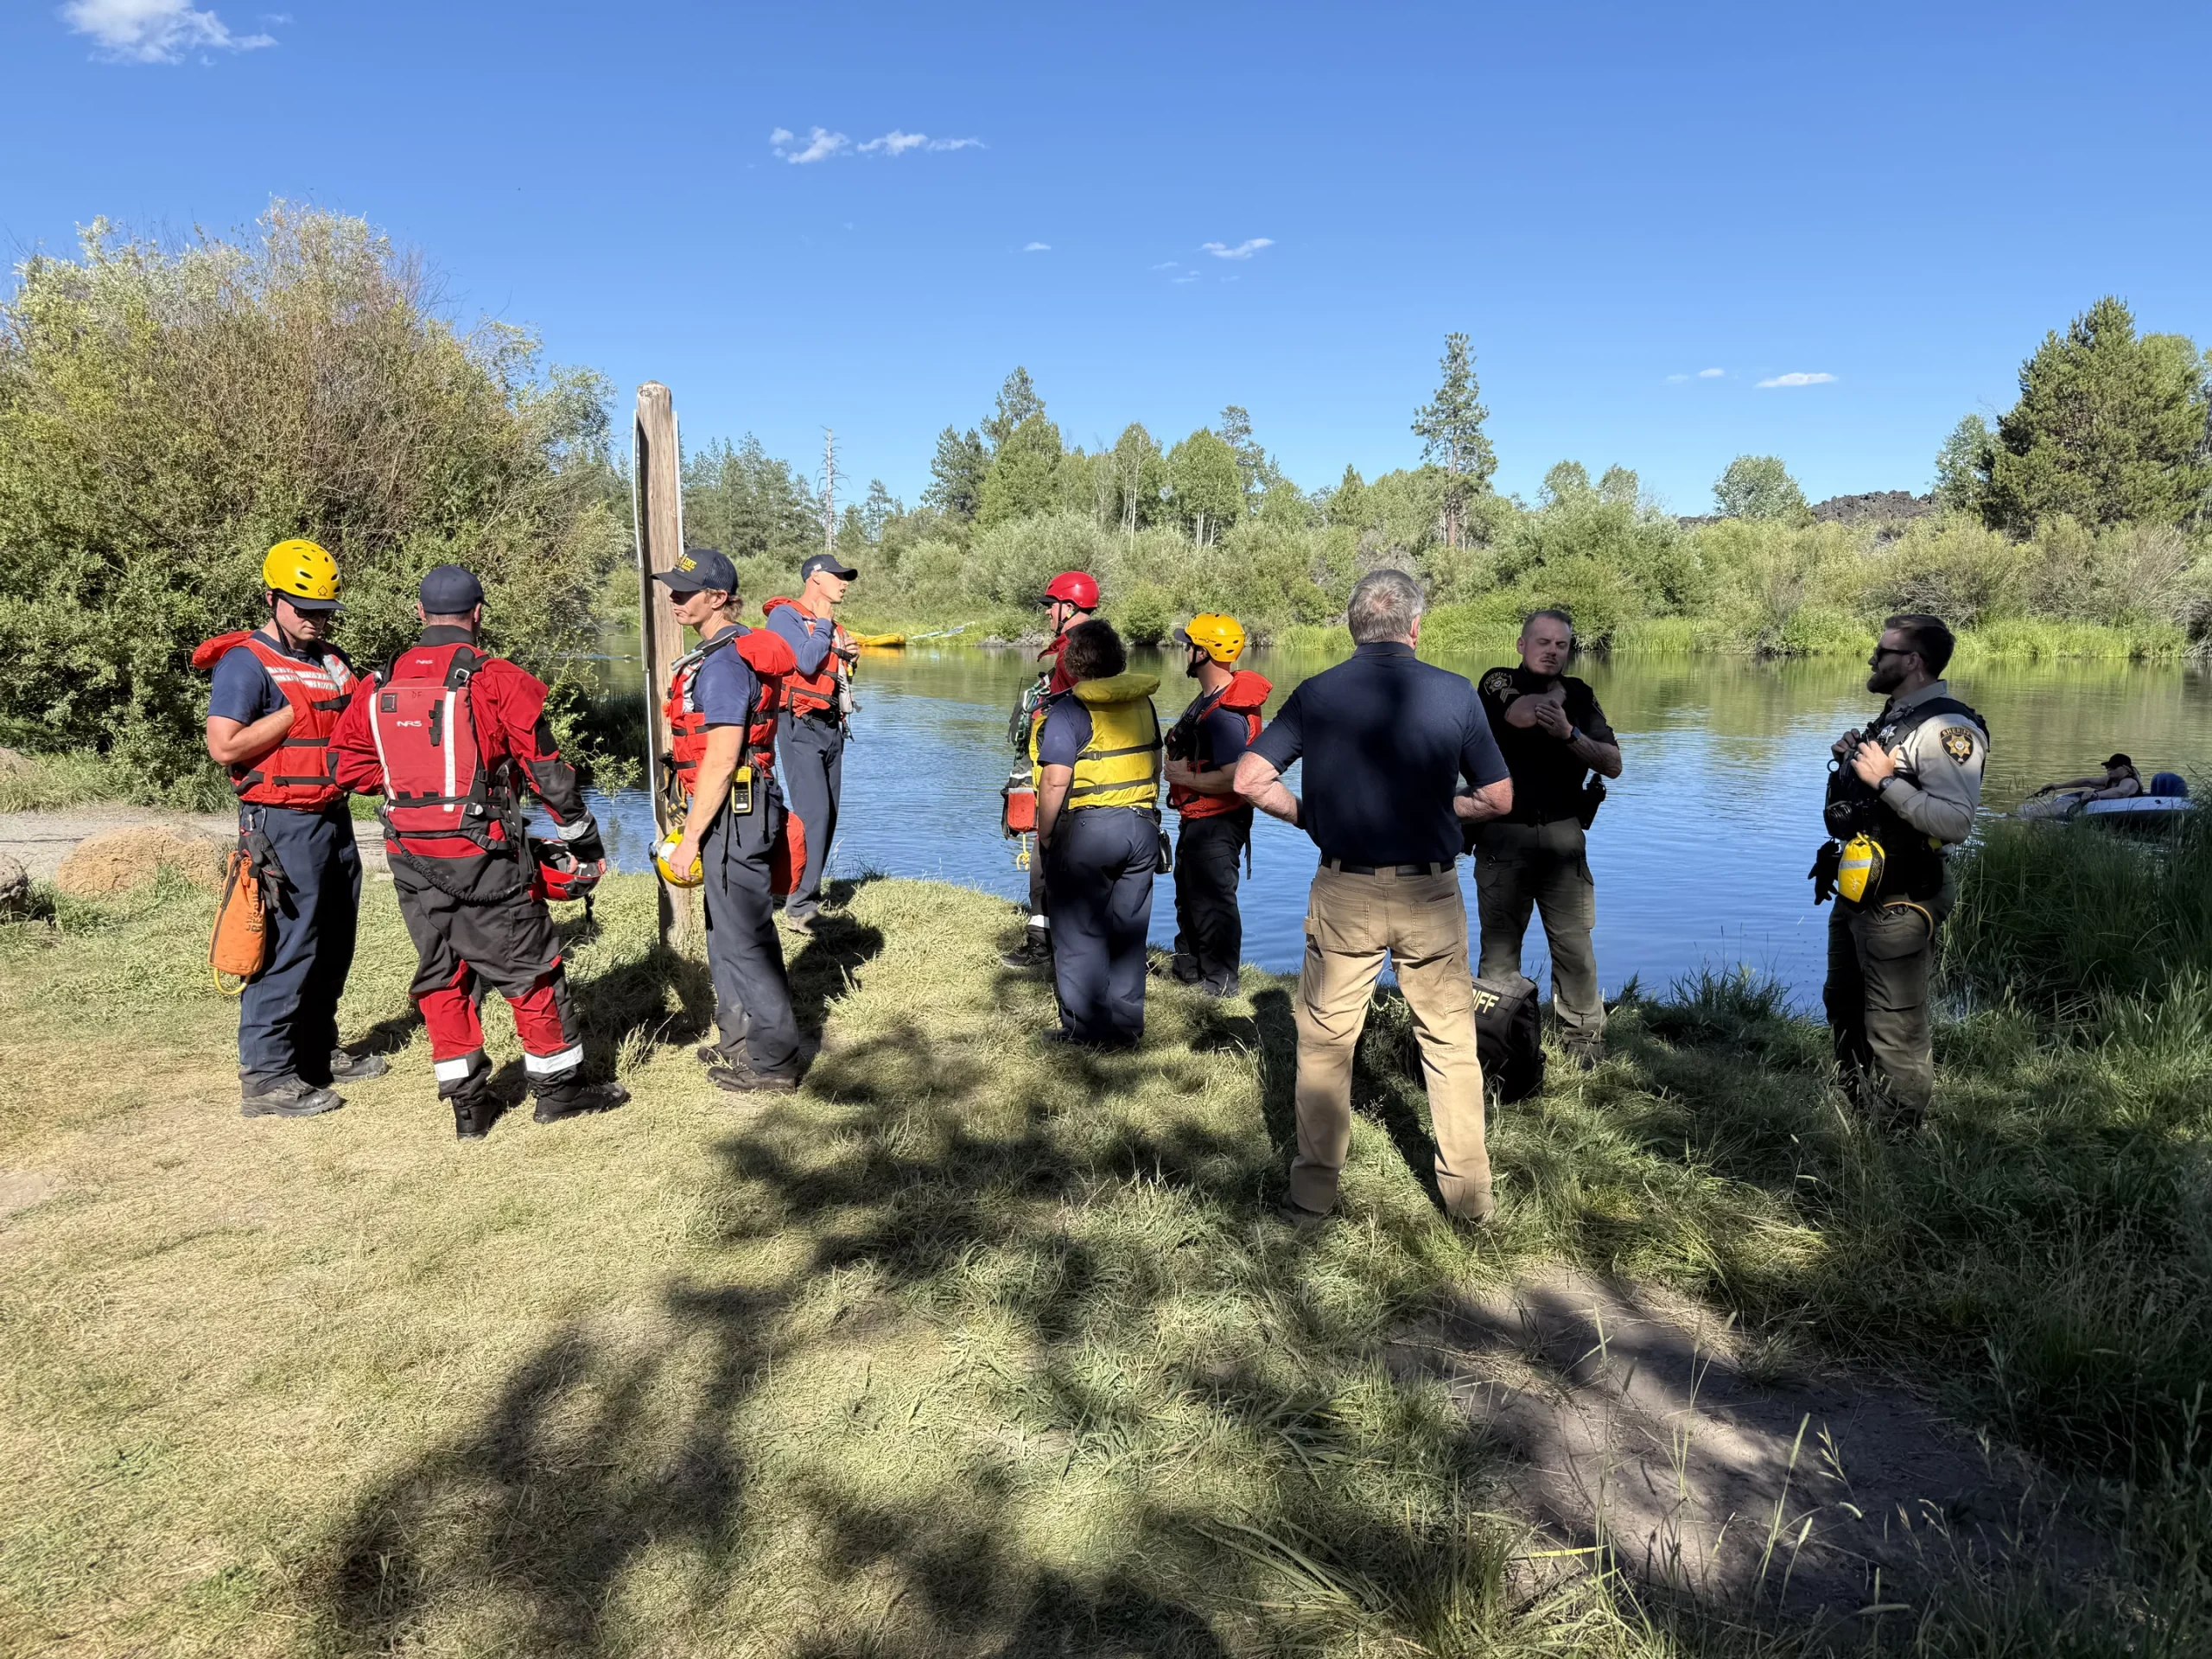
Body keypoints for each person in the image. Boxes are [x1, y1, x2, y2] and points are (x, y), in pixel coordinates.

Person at [1234, 569, 1514, 1229]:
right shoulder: (1455, 692)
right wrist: (1439, 809)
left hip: (1345, 888)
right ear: (1415, 627)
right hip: (1430, 891)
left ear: (1353, 626)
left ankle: (1311, 1200)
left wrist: (1307, 815)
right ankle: (1470, 1204)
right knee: (1449, 1044)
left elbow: (1248, 779)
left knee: (1326, 1042)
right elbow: (1499, 797)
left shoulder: (1316, 693)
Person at [330, 564, 626, 1139]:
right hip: (483, 855)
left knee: (442, 973)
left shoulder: (377, 682)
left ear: (420, 614)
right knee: (530, 966)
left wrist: (414, 792)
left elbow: (346, 766)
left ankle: (469, 1107)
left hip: (409, 854)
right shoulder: (497, 679)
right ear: (478, 614)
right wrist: (580, 834)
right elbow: (546, 769)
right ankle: (559, 1092)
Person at [198, 539, 386, 1118]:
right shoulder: (245, 663)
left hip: (332, 816)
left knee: (334, 938)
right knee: (287, 944)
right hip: (279, 823)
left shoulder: (332, 660)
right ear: (272, 599)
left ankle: (315, 1049)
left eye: (324, 610)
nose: (315, 619)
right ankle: (267, 1077)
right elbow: (223, 745)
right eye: (304, 608)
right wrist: (290, 715)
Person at [1815, 613, 1987, 1135]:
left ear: (1912, 661)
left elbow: (1955, 822)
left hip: (1904, 896)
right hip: (1860, 888)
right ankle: (1857, 1110)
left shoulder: (1948, 728)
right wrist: (1851, 762)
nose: (1872, 659)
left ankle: (1900, 1138)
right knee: (1843, 1003)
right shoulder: (1894, 719)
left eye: (1882, 652)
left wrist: (1885, 781)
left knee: (1895, 1024)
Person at [656, 548, 807, 1094]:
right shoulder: (721, 652)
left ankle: (774, 1062)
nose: (675, 599)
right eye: (673, 590)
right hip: (739, 804)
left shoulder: (723, 665)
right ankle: (739, 1039)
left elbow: (721, 759)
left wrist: (689, 839)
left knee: (746, 936)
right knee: (725, 931)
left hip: (735, 811)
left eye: (685, 591)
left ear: (718, 598)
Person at [1471, 610, 1624, 1068]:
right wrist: (1556, 698)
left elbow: (1613, 763)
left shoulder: (1581, 694)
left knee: (1575, 946)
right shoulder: (1498, 680)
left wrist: (1570, 734)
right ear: (1522, 645)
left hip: (1563, 834)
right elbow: (1521, 716)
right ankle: (1497, 1043)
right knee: (1500, 950)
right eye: (1543, 642)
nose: (1552, 651)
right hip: (1504, 834)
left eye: (1561, 645)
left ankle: (1584, 1044)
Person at [1033, 620, 1161, 1047]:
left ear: (1073, 663)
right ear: (1118, 658)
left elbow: (1055, 781)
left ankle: (1086, 1030)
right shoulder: (1143, 704)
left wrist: (1046, 834)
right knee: (1128, 931)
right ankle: (1126, 1027)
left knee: (1079, 932)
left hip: (1088, 829)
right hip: (1141, 826)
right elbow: (1156, 763)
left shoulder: (1069, 709)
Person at [1162, 613, 1270, 997]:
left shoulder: (1225, 715)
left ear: (1203, 652)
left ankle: (1221, 984)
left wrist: (1185, 778)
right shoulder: (1210, 699)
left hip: (1219, 821)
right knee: (1189, 894)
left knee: (1214, 902)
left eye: (1189, 645)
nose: (1185, 651)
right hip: (1198, 816)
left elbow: (1233, 777)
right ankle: (1189, 969)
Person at [1001, 569, 1101, 971]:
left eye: (1051, 605)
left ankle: (1042, 945)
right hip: (1091, 771)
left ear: (1070, 607)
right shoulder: (1095, 646)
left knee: (1047, 853)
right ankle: (1076, 940)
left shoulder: (1073, 653)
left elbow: (1078, 708)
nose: (1047, 613)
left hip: (1065, 767)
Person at [764, 550, 861, 936]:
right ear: (815, 577)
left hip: (830, 726)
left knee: (829, 812)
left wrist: (848, 657)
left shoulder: (832, 624)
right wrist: (823, 625)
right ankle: (799, 906)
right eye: (839, 576)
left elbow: (828, 674)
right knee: (812, 814)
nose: (844, 583)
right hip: (798, 724)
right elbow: (804, 662)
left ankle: (804, 894)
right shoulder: (784, 616)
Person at [2031, 753, 2142, 805]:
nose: (2109, 769)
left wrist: (2096, 795)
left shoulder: (2130, 781)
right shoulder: (2109, 780)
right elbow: (2086, 781)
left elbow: (2121, 792)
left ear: (2125, 768)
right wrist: (2058, 786)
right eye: (2108, 767)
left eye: (2113, 767)